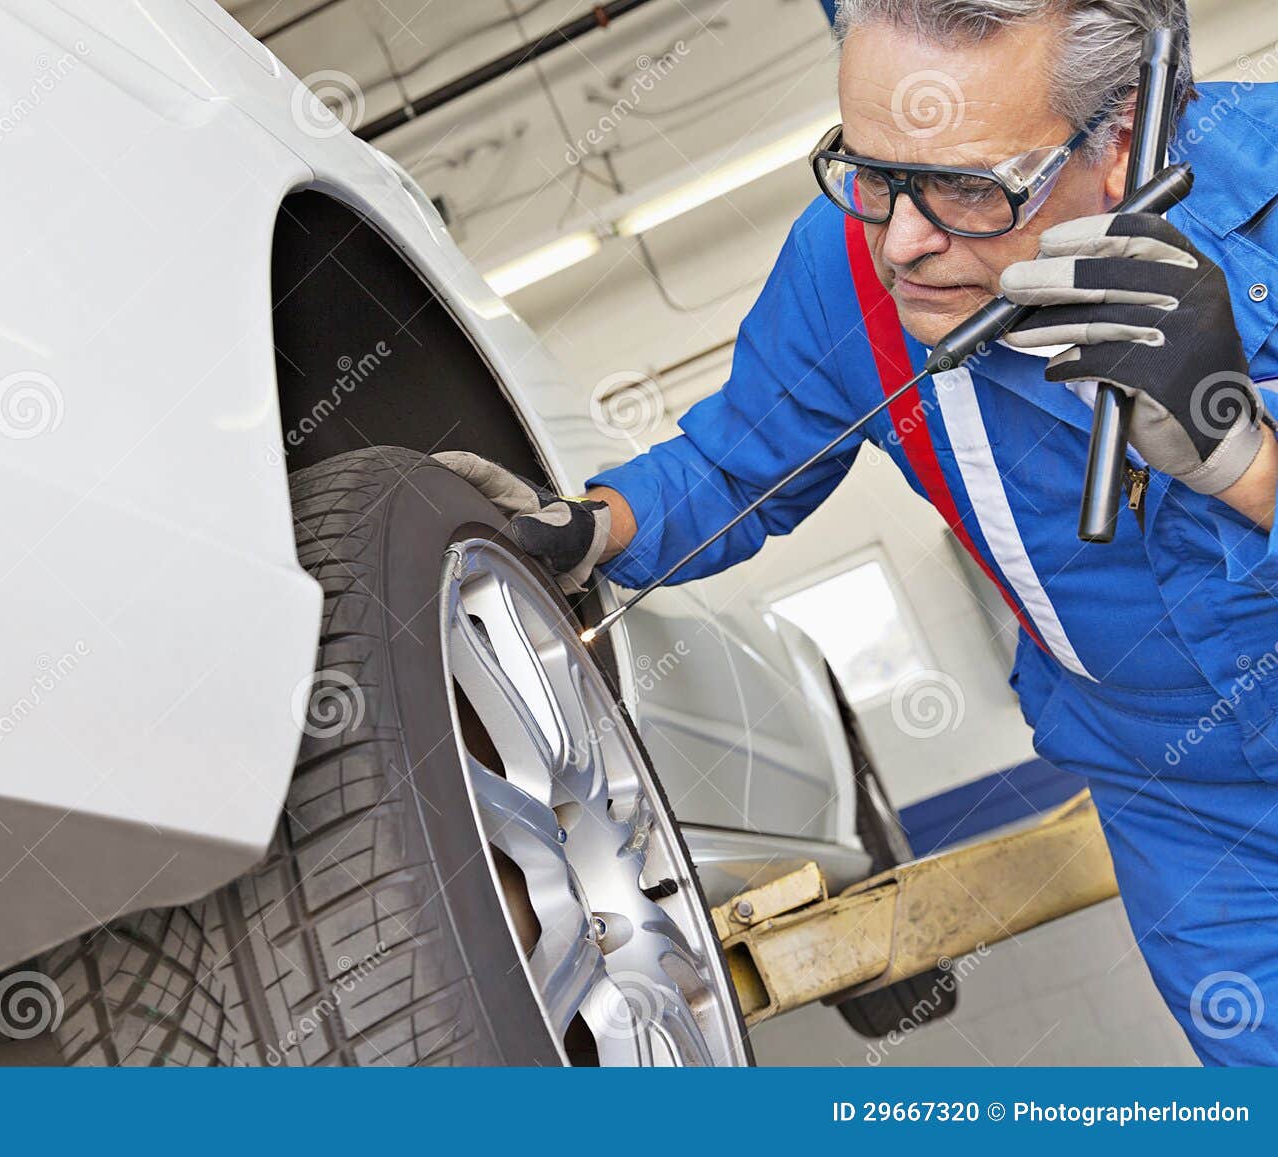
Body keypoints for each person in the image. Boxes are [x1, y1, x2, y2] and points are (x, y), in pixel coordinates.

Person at [438, 0, 1278, 1065]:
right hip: (1183, 803)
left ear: (1121, 138)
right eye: (872, 173)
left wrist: (1245, 460)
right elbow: (735, 463)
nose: (903, 241)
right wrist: (591, 528)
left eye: (968, 188)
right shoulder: (849, 271)